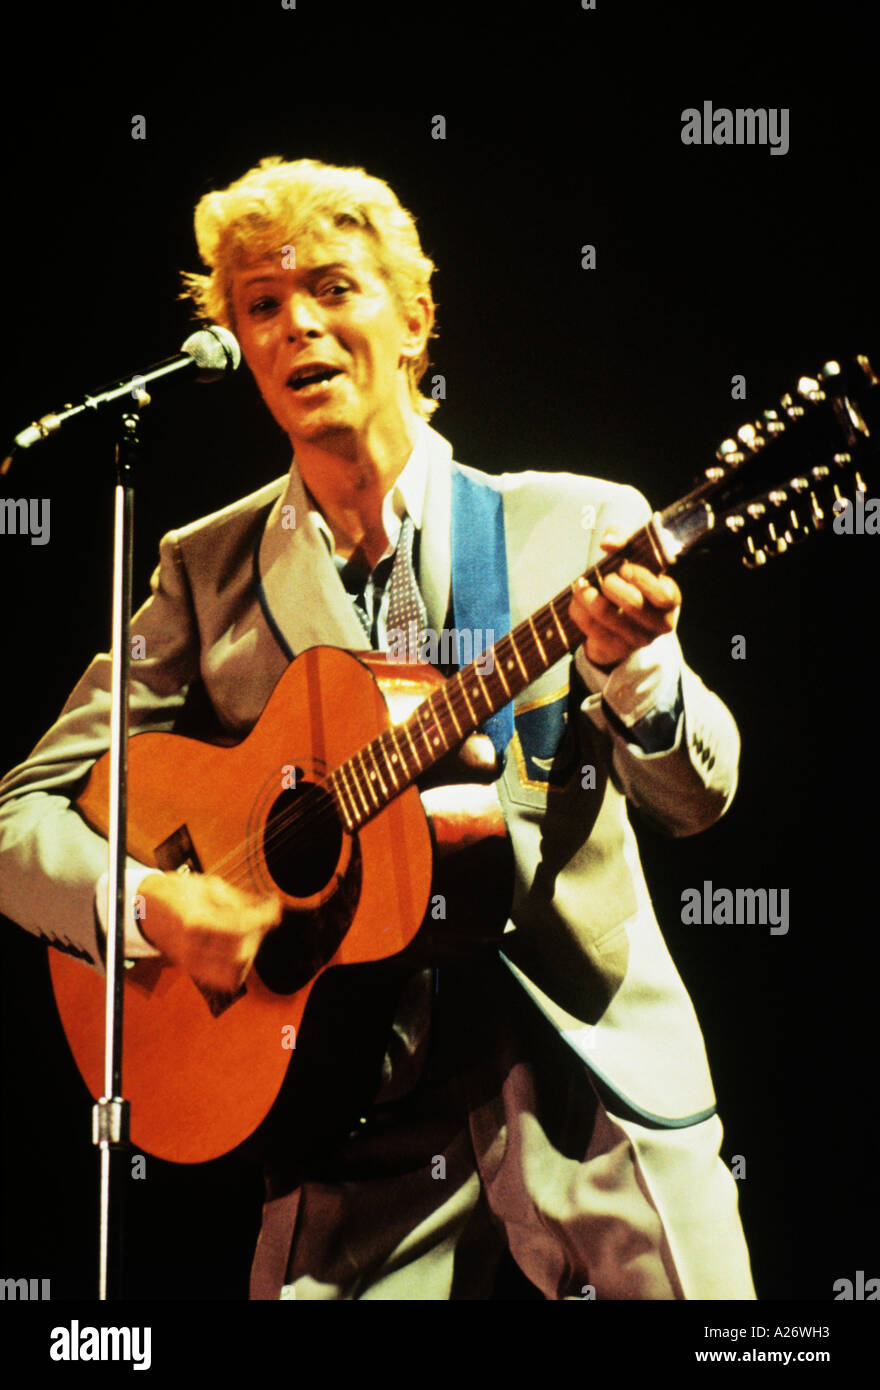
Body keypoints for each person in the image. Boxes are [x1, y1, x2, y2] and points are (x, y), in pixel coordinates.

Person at [0, 156, 755, 1300]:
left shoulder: (579, 527)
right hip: (345, 1113)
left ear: (414, 320)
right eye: (260, 304)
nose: (296, 321)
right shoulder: (202, 575)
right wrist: (153, 906)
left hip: (586, 1088)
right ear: (241, 348)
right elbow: (17, 820)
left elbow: (697, 799)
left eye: (334, 289)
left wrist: (635, 670)